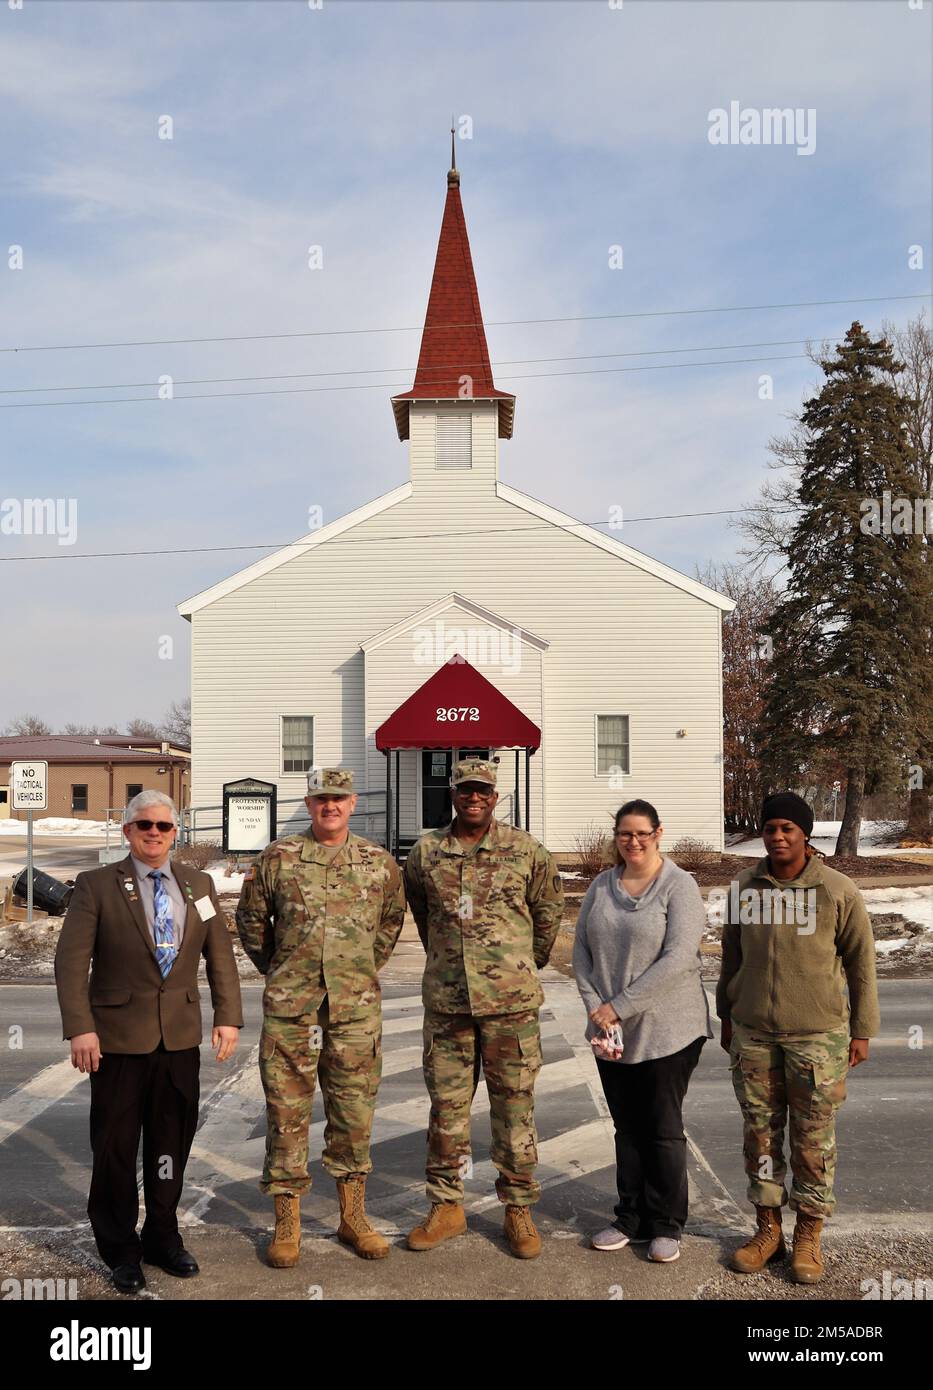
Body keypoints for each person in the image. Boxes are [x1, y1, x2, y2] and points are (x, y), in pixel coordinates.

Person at [54, 790, 242, 1294]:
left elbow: (219, 955)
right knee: (115, 1147)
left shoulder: (198, 884)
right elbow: (71, 963)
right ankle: (120, 1250)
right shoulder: (97, 886)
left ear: (175, 832)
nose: (154, 832)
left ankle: (162, 1234)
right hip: (115, 1041)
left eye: (163, 825)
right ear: (128, 831)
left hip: (178, 1038)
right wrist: (81, 1026)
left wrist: (228, 1016)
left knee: (169, 1144)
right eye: (144, 825)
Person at [236, 767, 405, 1266]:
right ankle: (287, 1222)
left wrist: (358, 970)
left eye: (339, 798)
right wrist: (281, 970)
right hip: (293, 1011)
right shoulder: (279, 858)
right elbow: (251, 920)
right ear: (309, 805)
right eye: (320, 799)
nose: (330, 806)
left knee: (353, 1117)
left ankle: (353, 1216)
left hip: (354, 1012)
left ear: (353, 803)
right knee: (287, 1116)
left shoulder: (378, 862)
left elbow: (390, 923)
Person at [403, 758, 564, 1259]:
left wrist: (519, 964)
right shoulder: (427, 852)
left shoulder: (526, 851)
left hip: (510, 1007)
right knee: (447, 1111)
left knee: (514, 1109)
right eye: (465, 790)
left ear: (496, 796)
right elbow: (422, 913)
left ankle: (517, 1208)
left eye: (483, 791)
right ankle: (447, 1206)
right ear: (452, 793)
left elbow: (548, 913)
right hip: (449, 1006)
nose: (474, 798)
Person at [717, 791, 880, 1283]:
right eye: (770, 828)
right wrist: (726, 1015)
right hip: (754, 1036)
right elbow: (731, 958)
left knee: (813, 1143)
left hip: (818, 1038)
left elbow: (861, 964)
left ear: (806, 834)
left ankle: (808, 1235)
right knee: (761, 1137)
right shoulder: (744, 887)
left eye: (788, 828)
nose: (778, 836)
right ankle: (768, 1229)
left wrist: (863, 1030)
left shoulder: (837, 890)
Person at [572, 799, 711, 1264]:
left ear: (658, 834)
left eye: (642, 834)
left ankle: (666, 1223)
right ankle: (629, 1217)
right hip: (610, 1030)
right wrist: (598, 1009)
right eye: (624, 834)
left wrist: (620, 1006)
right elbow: (581, 951)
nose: (633, 842)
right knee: (627, 1127)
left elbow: (676, 960)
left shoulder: (679, 886)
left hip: (668, 1028)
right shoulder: (600, 886)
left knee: (662, 1128)